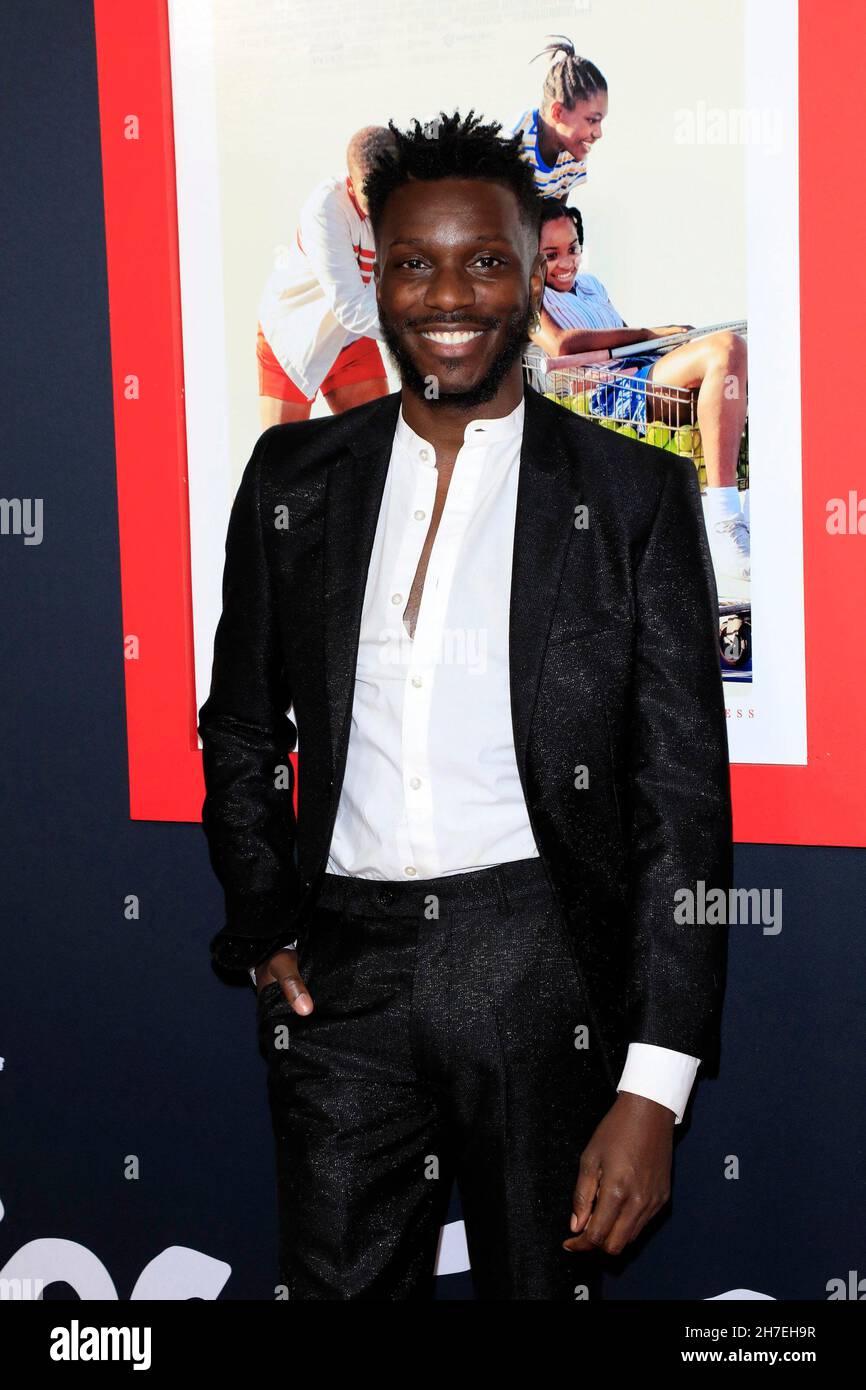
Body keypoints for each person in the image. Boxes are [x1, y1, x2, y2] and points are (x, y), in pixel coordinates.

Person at [198, 110, 733, 1301]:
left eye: (484, 260)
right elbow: (239, 724)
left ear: (529, 263)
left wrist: (653, 1083)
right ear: (374, 274)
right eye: (412, 262)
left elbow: (680, 801)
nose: (449, 294)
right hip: (340, 978)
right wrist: (265, 918)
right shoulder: (293, 480)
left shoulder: (630, 494)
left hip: (539, 965)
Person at [530, 198, 750, 593]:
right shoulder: (528, 297)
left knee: (740, 359)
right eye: (551, 254)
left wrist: (672, 341)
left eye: (573, 248)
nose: (566, 262)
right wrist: (650, 333)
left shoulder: (593, 286)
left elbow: (626, 342)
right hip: (607, 401)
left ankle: (750, 509)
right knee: (726, 349)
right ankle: (724, 516)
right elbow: (562, 346)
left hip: (637, 378)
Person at [255, 126, 395, 428]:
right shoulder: (326, 209)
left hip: (351, 339)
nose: (379, 200)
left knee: (379, 449)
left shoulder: (409, 197)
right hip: (295, 336)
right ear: (351, 183)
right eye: (368, 190)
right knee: (281, 469)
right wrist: (416, 332)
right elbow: (350, 308)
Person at [507, 37, 608, 200]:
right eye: (592, 120)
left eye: (601, 121)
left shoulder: (574, 150)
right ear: (558, 113)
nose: (599, 133)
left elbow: (558, 211)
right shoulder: (515, 143)